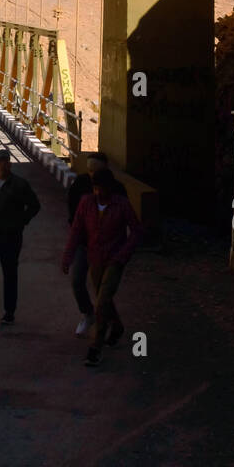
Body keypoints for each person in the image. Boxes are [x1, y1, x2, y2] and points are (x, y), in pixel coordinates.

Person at [62, 167, 143, 367]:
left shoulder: (121, 205)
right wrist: (68, 256)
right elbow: (76, 231)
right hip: (95, 259)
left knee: (102, 301)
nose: (98, 193)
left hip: (115, 260)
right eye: (96, 188)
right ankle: (117, 326)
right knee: (103, 298)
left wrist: (123, 255)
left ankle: (95, 348)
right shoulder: (86, 203)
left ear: (109, 188)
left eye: (102, 188)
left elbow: (136, 232)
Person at [66, 152, 128, 337]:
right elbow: (72, 215)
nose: (92, 174)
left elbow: (126, 221)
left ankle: (109, 328)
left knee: (103, 290)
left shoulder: (118, 190)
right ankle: (88, 314)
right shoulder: (81, 185)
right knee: (77, 280)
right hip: (84, 244)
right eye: (89, 169)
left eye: (96, 170)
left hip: (107, 248)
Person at [0, 149, 40, 325]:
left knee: (9, 273)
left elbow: (34, 205)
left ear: (10, 164)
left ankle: (9, 311)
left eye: (5, 161)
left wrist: (21, 222)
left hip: (11, 237)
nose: (2, 164)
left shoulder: (20, 184)